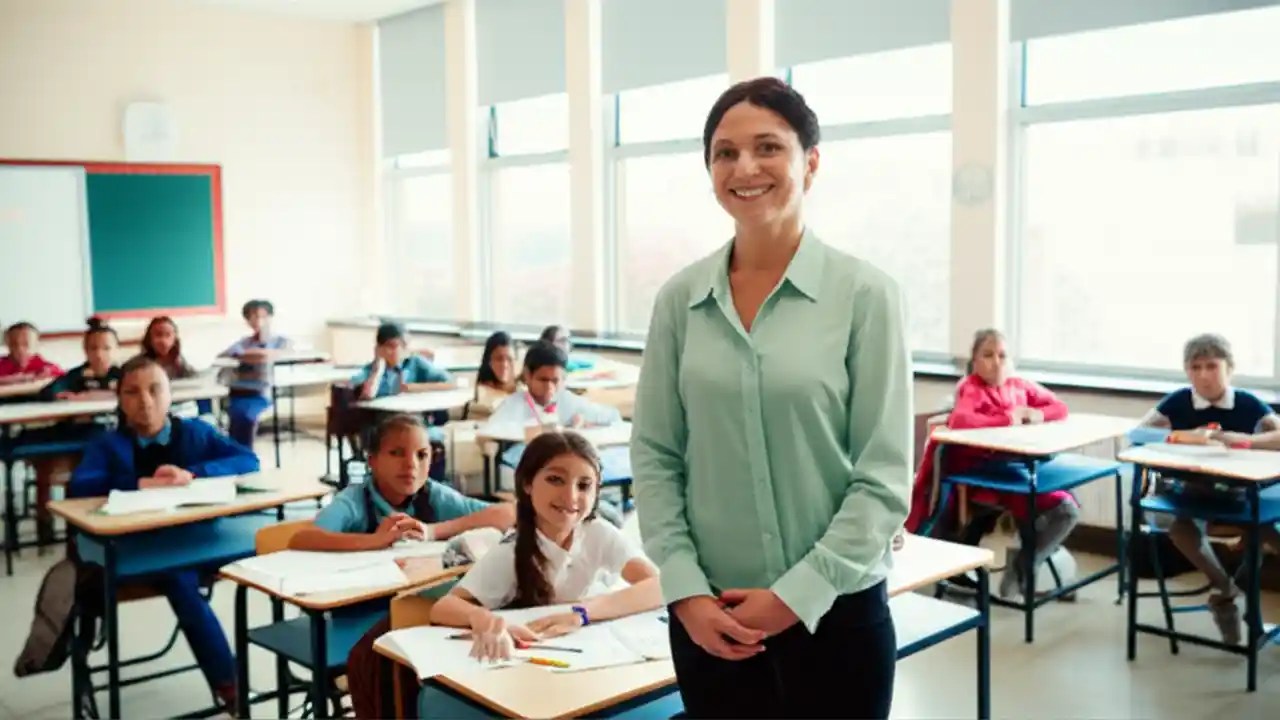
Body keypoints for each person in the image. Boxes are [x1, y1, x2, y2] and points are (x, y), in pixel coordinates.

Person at [631, 76, 910, 719]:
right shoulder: (680, 300)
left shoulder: (865, 295)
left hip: (836, 614)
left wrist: (797, 595)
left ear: (810, 163)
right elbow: (655, 455)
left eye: (768, 147)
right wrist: (684, 591)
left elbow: (884, 474)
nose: (745, 168)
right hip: (712, 619)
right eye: (725, 153)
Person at [69, 355, 260, 711]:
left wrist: (194, 474)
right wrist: (138, 483)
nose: (145, 401)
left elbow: (248, 460)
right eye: (132, 392)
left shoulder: (196, 432)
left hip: (197, 539)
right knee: (179, 580)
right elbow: (80, 486)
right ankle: (230, 684)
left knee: (213, 567)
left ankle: (231, 684)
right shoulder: (107, 444)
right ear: (119, 399)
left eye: (155, 389)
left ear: (171, 393)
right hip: (140, 547)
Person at [312, 414, 517, 719]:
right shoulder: (356, 500)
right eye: (397, 453)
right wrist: (375, 540)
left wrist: (434, 530)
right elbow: (309, 535)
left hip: (417, 608)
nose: (411, 465)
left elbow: (507, 513)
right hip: (360, 614)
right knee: (378, 665)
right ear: (372, 461)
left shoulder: (431, 494)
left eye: (422, 455)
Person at [429, 431, 661, 663]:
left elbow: (660, 586)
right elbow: (443, 608)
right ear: (527, 483)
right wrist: (481, 617)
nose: (570, 496)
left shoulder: (597, 532)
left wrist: (581, 614)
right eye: (555, 480)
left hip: (593, 651)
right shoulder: (512, 550)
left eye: (584, 485)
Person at [905, 329, 1079, 599]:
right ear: (974, 361)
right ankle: (1024, 569)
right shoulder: (972, 387)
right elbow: (961, 420)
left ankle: (1023, 566)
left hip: (1015, 469)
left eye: (1002, 355)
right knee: (1063, 510)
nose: (996, 363)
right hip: (983, 476)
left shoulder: (1018, 385)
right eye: (987, 355)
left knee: (1067, 505)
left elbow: (1059, 408)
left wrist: (1037, 413)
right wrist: (1007, 418)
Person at [1139, 333, 1280, 645]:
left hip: (1238, 494)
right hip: (1190, 493)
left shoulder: (1245, 402)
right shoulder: (1178, 400)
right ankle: (1224, 588)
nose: (1203, 375)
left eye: (1212, 366)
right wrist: (1184, 436)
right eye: (1195, 367)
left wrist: (1246, 441)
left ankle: (1235, 597)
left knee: (1264, 533)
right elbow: (1138, 434)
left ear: (1229, 368)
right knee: (1181, 529)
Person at [27, 318, 123, 542]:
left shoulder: (123, 375)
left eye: (106, 348)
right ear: (85, 350)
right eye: (93, 348)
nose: (99, 354)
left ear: (116, 350)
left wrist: (90, 396)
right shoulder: (77, 375)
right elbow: (48, 393)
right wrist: (67, 397)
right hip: (77, 436)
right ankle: (53, 526)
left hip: (109, 437)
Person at [219, 299, 290, 449]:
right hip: (238, 391)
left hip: (262, 392)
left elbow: (273, 355)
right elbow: (231, 353)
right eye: (253, 317)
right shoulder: (244, 342)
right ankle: (236, 452)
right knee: (232, 415)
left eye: (263, 316)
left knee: (246, 416)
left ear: (271, 318)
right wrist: (254, 355)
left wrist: (250, 355)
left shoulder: (281, 341)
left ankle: (244, 453)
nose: (259, 321)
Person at [351, 322, 455, 401]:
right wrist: (377, 370)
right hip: (384, 419)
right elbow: (367, 394)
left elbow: (451, 382)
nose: (399, 351)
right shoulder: (370, 371)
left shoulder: (414, 363)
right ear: (379, 349)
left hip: (414, 416)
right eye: (393, 346)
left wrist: (411, 388)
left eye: (403, 345)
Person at [465, 331, 518, 421]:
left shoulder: (526, 389)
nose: (504, 365)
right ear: (489, 362)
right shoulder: (484, 394)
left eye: (509, 359)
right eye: (499, 359)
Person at [139, 316, 199, 380]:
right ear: (149, 339)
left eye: (168, 335)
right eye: (158, 335)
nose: (163, 341)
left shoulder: (179, 362)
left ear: (175, 340)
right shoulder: (139, 364)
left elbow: (195, 378)